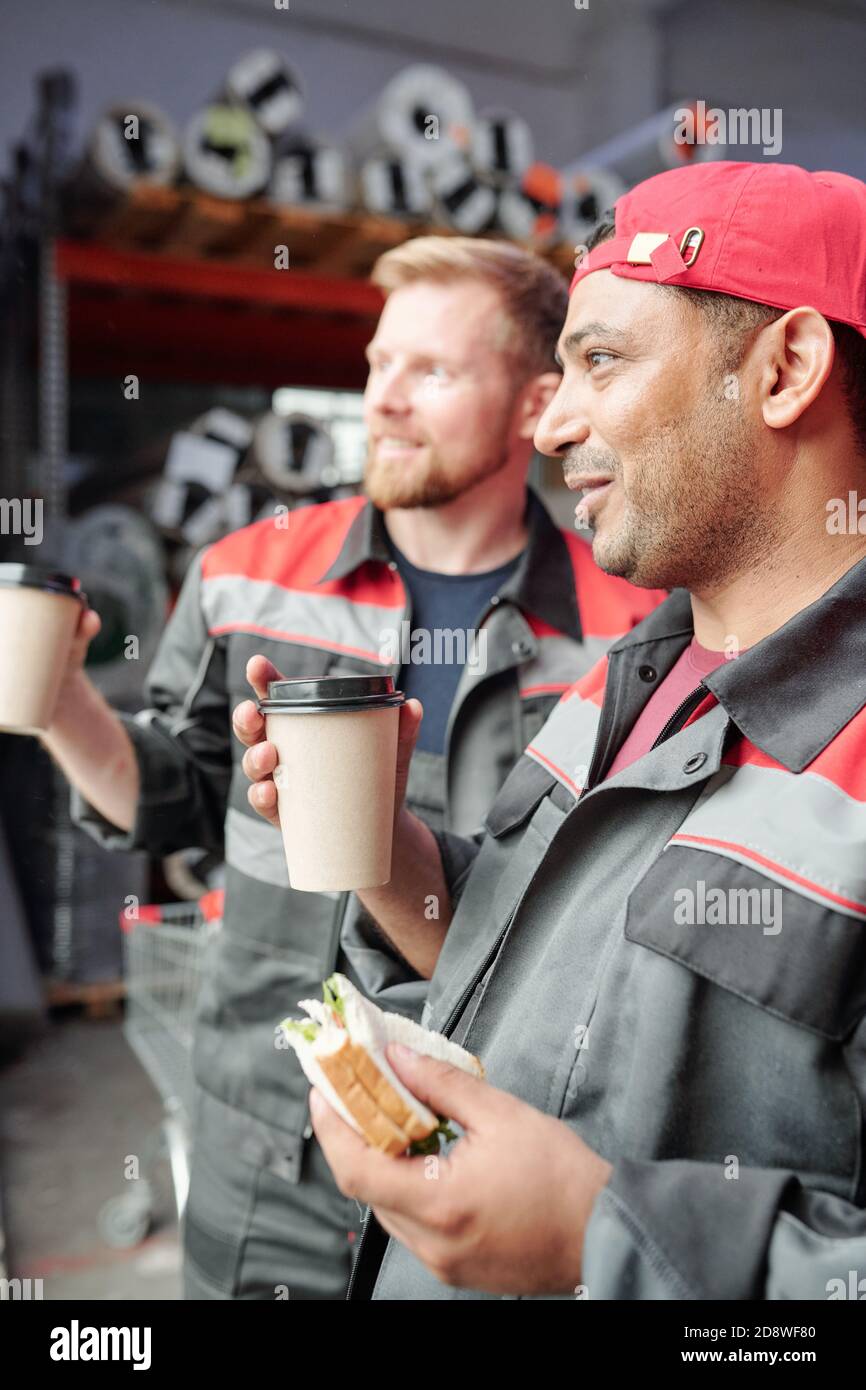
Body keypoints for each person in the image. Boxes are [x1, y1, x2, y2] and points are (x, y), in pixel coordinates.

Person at [246, 160, 866, 1300]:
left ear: (782, 369)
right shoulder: (622, 681)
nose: (553, 424)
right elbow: (522, 954)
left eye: (600, 361)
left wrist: (604, 1240)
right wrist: (392, 853)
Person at [42, 236, 663, 1300]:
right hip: (267, 1163)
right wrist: (58, 702)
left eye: (433, 371)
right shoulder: (247, 577)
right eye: (379, 365)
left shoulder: (633, 629)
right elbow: (168, 799)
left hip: (495, 1166)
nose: (384, 399)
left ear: (534, 404)